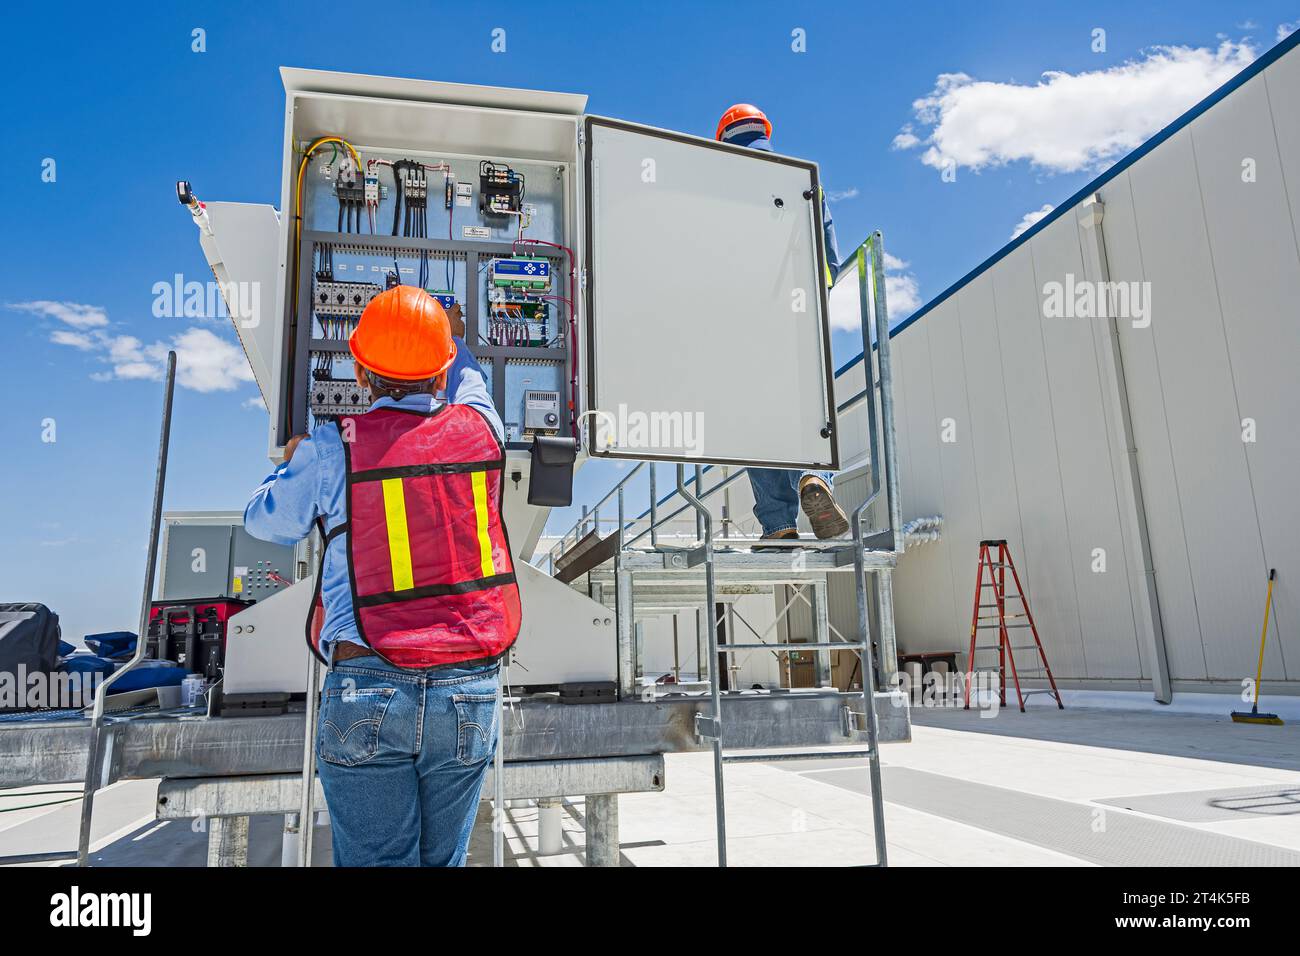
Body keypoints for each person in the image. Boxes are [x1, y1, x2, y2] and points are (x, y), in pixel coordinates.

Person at [244, 286, 519, 867]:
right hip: (467, 689)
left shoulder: (329, 448)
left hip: (368, 682)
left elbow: (267, 524)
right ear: (442, 375)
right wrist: (456, 336)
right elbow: (475, 385)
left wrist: (291, 465)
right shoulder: (483, 430)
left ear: (362, 375)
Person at [715, 103, 850, 548]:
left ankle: (779, 525)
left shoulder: (714, 188)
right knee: (803, 406)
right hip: (798, 313)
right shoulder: (804, 178)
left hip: (742, 320)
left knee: (756, 420)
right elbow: (828, 258)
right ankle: (812, 477)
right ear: (765, 131)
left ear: (723, 140)